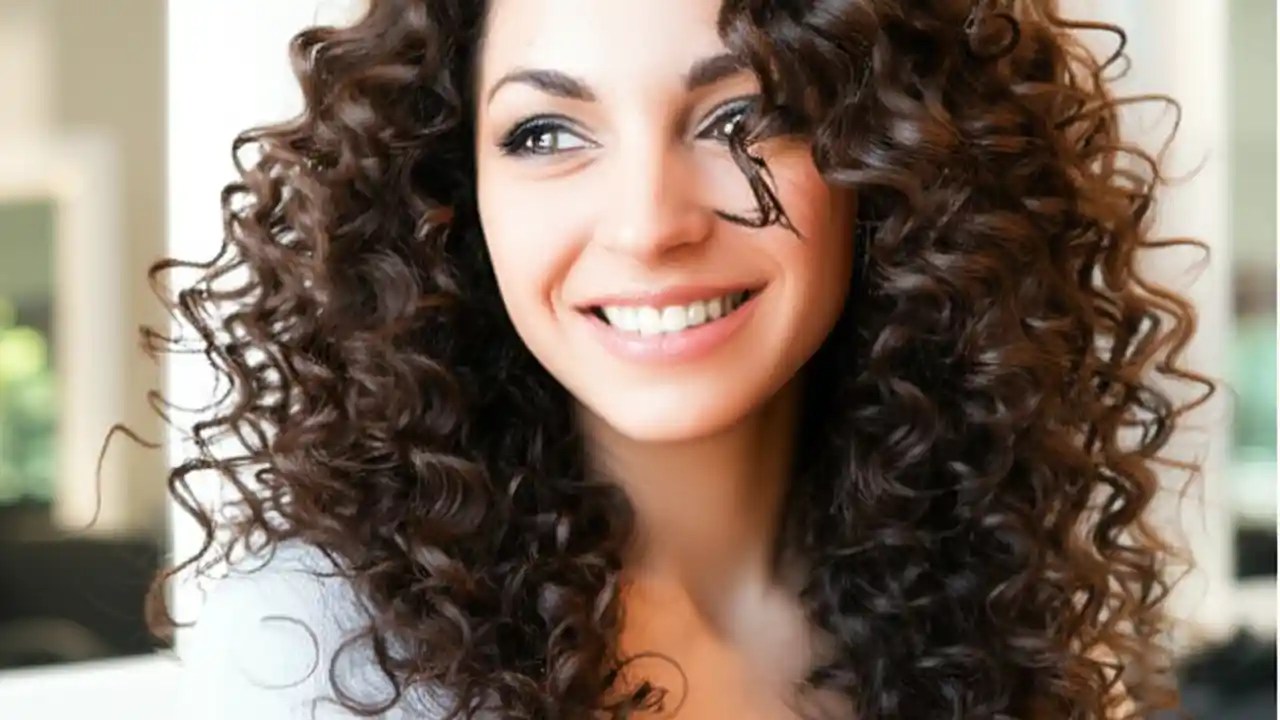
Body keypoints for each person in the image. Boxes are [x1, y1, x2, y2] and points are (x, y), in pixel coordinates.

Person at [154, 0, 1212, 717]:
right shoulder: (322, 648)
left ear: (886, 160)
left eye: (739, 117)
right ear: (449, 198)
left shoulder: (983, 591)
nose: (646, 224)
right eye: (544, 134)